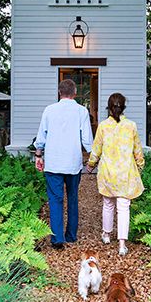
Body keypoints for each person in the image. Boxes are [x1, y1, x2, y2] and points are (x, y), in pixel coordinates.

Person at [34, 78, 93, 249]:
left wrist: (38, 155)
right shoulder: (81, 111)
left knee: (55, 200)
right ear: (75, 93)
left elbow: (41, 136)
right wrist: (93, 158)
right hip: (73, 163)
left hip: (53, 162)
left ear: (60, 93)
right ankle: (71, 235)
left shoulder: (49, 110)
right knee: (73, 198)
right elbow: (87, 140)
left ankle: (57, 238)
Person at [87, 92, 144, 256]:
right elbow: (138, 150)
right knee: (124, 207)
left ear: (109, 108)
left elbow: (96, 149)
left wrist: (91, 165)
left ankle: (106, 235)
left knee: (108, 204)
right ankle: (121, 244)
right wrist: (140, 166)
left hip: (108, 172)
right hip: (125, 172)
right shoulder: (131, 126)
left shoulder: (103, 126)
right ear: (124, 107)